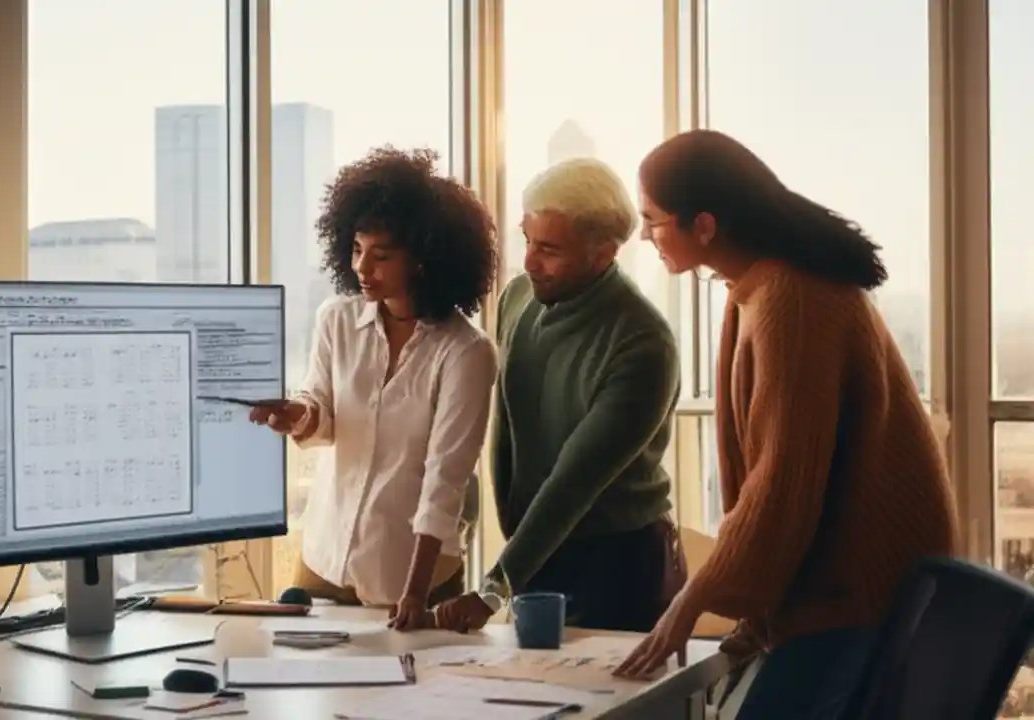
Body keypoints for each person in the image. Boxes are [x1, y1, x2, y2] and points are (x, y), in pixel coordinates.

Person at [615, 130, 958, 718]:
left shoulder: (790, 301)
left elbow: (781, 482)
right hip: (842, 593)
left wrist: (693, 599)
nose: (644, 235)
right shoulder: (755, 289)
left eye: (652, 220)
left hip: (862, 595)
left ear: (704, 226)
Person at [249, 146, 498, 631]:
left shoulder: (466, 352)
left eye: (382, 255)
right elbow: (320, 406)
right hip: (323, 563)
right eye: (358, 249)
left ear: (425, 259)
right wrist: (299, 415)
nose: (363, 267)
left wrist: (414, 593)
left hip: (411, 577)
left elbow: (445, 481)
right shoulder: (336, 320)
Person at [435, 157, 685, 634]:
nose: (529, 262)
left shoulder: (643, 342)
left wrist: (494, 587)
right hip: (533, 552)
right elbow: (507, 429)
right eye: (527, 240)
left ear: (603, 253)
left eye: (549, 249)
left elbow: (574, 482)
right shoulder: (517, 298)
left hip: (619, 564)